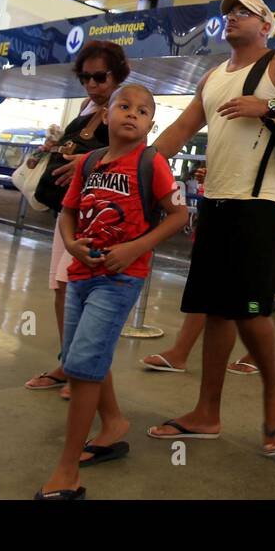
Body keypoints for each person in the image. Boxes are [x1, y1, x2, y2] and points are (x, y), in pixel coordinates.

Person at [146, 0, 275, 456]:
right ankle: (206, 413)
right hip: (216, 202)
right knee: (216, 309)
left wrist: (269, 107)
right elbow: (179, 130)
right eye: (229, 12)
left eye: (244, 11)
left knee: (249, 308)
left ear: (266, 25)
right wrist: (133, 165)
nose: (232, 17)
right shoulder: (213, 76)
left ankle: (274, 393)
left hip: (260, 202)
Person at [35, 84, 188, 500]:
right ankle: (114, 423)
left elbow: (179, 214)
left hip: (120, 277)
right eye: (124, 106)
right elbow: (68, 211)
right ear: (107, 115)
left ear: (150, 124)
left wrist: (135, 248)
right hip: (81, 273)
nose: (132, 114)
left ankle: (66, 471)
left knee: (83, 364)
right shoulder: (90, 164)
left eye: (142, 111)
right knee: (78, 355)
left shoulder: (153, 163)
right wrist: (69, 244)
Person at [25, 40, 129, 399]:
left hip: (100, 215)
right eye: (85, 78)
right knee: (61, 286)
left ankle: (84, 370)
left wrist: (84, 162)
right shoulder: (88, 105)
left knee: (79, 289)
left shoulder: (126, 104)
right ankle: (69, 362)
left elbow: (133, 151)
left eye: (100, 77)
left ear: (117, 74)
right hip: (71, 209)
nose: (92, 84)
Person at [139, 192, 275, 377]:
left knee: (251, 298)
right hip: (227, 204)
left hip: (258, 209)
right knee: (207, 286)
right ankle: (180, 353)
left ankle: (264, 371)